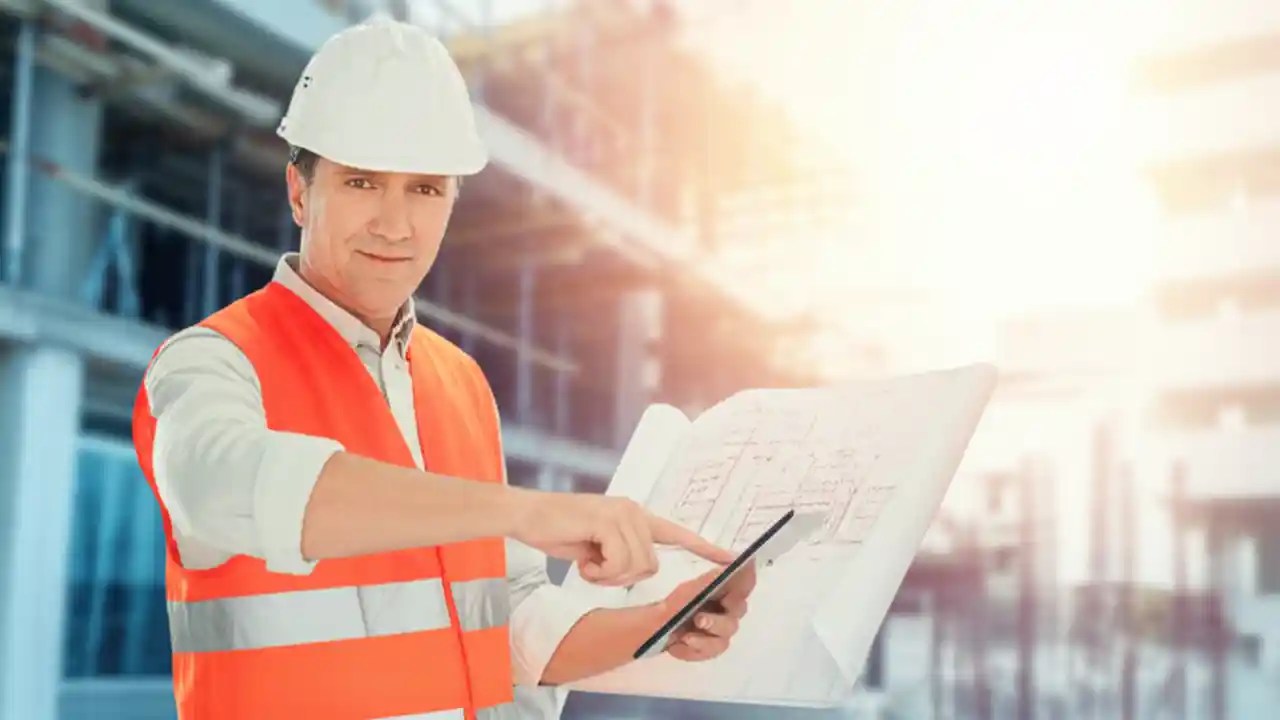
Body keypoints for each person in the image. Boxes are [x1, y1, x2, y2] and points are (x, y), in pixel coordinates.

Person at [130, 14, 756, 720]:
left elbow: (511, 623)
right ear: (300, 192)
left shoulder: (458, 384)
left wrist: (659, 625)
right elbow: (227, 485)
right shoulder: (211, 363)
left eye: (425, 189)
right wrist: (530, 511)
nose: (395, 225)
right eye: (363, 182)